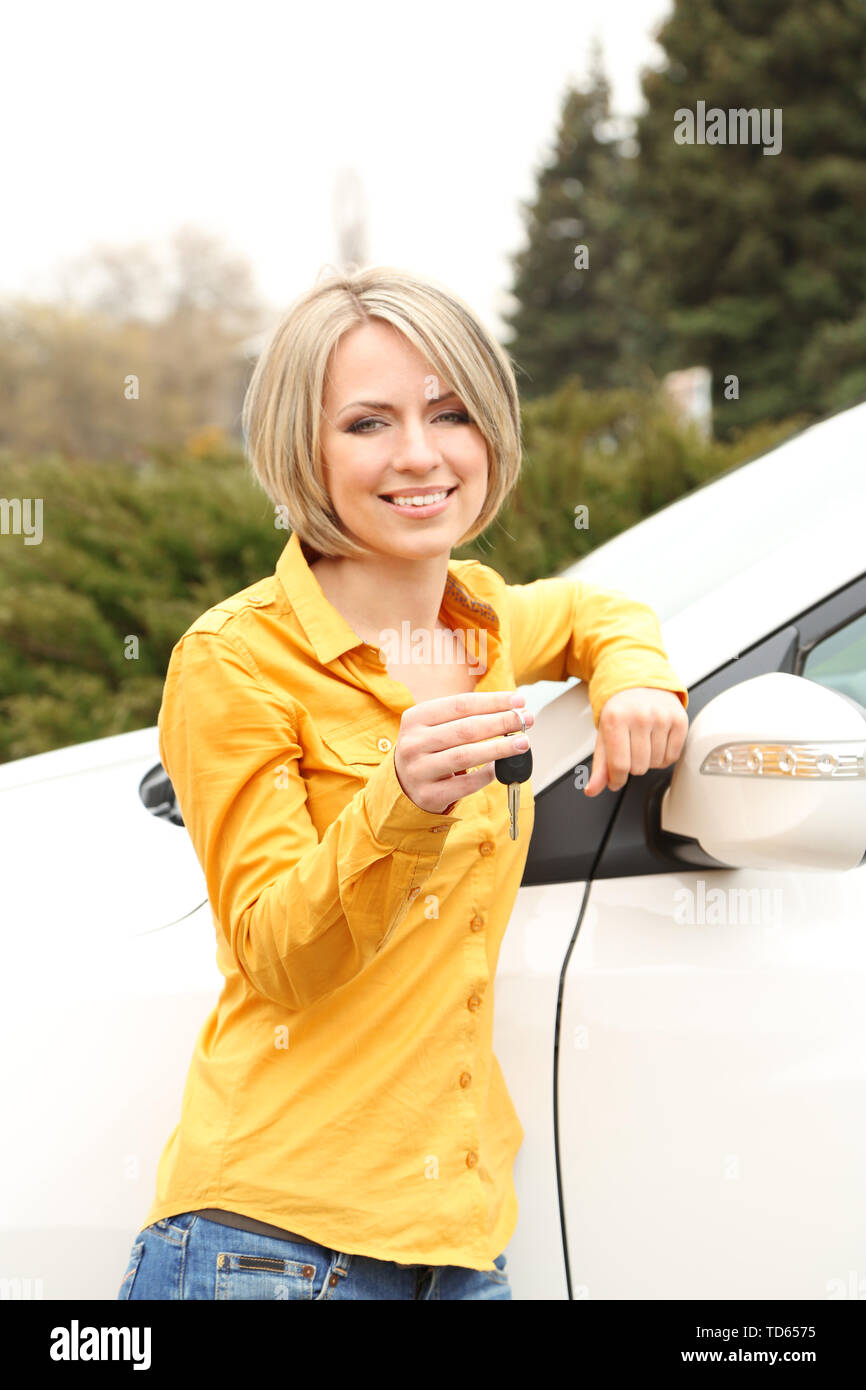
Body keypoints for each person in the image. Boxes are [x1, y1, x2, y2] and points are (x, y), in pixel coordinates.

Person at [116, 264, 689, 1301]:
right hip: (270, 1252)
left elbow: (601, 612)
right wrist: (401, 802)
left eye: (449, 412)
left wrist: (635, 682)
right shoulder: (234, 660)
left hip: (460, 1249)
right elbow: (275, 953)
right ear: (306, 448)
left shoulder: (485, 616)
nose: (420, 455)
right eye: (367, 423)